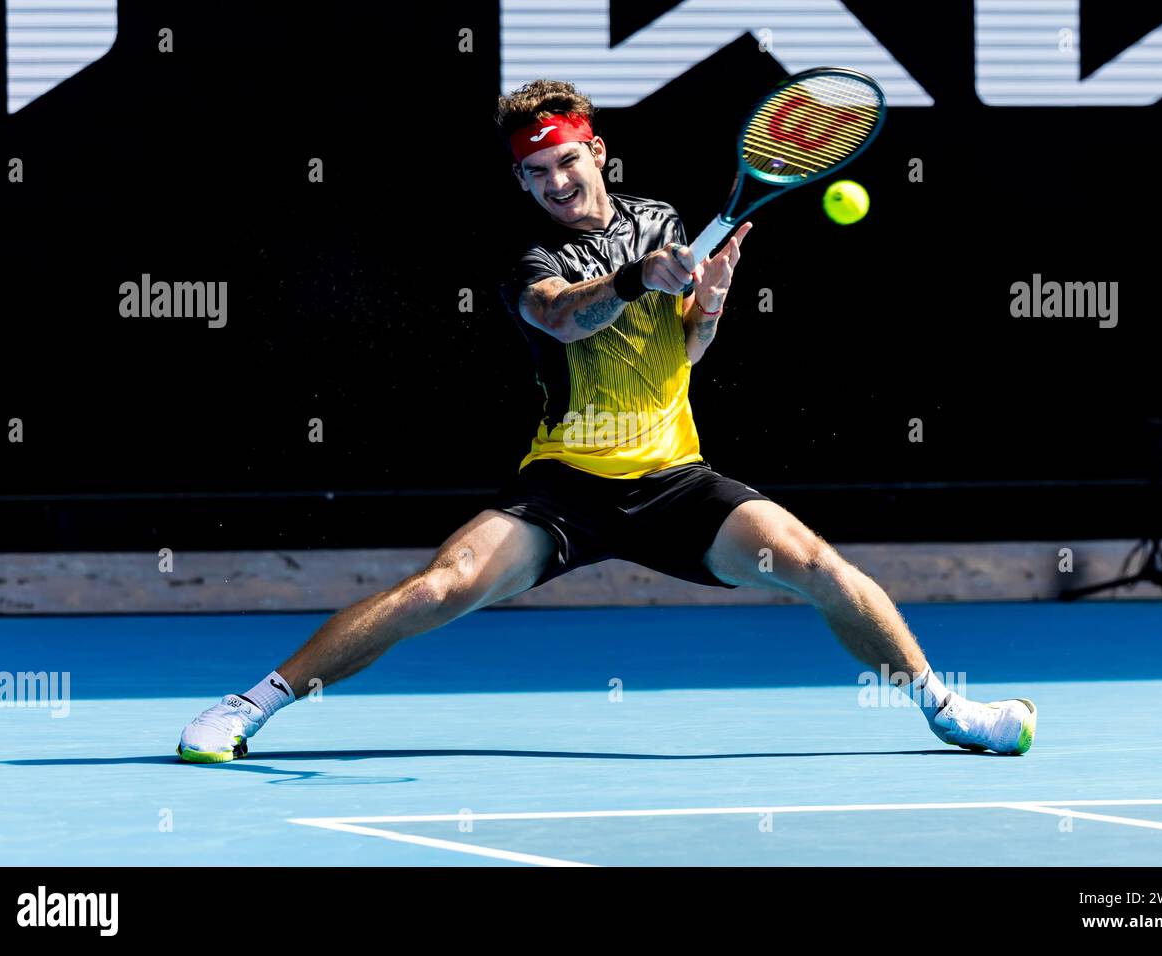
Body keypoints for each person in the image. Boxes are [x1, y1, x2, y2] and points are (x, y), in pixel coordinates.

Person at [177, 79, 1036, 763]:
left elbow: (689, 350)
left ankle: (950, 709)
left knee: (815, 563)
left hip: (675, 480)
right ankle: (249, 705)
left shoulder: (661, 221)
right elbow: (561, 317)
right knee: (438, 589)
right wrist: (634, 281)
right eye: (535, 174)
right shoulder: (532, 258)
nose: (554, 184)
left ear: (597, 153)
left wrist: (712, 299)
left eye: (566, 164)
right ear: (521, 181)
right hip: (564, 489)